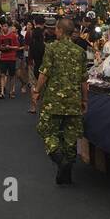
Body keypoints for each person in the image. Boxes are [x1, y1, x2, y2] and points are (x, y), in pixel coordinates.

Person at [34, 17, 87, 185]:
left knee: (47, 131)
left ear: (61, 31)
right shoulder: (80, 52)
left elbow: (44, 73)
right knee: (70, 138)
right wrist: (85, 99)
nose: (54, 31)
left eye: (56, 29)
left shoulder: (51, 49)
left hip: (53, 100)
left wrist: (36, 91)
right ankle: (66, 174)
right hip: (73, 100)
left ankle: (59, 160)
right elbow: (84, 80)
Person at [26, 19, 47, 113]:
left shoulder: (32, 45)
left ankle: (33, 106)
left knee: (33, 86)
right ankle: (43, 106)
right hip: (43, 67)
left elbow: (30, 56)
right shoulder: (44, 46)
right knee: (43, 87)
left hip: (33, 65)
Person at [0, 21, 20, 98]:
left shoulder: (13, 36)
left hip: (11, 57)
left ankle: (11, 91)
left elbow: (17, 47)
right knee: (2, 74)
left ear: (8, 27)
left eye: (6, 26)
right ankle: (2, 92)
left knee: (12, 75)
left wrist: (10, 47)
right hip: (3, 57)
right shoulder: (0, 37)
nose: (4, 28)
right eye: (3, 26)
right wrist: (2, 48)